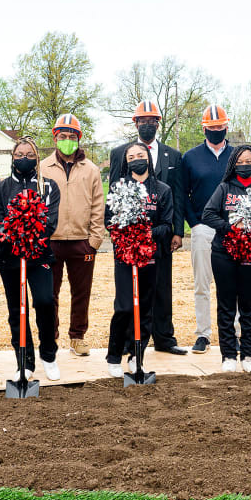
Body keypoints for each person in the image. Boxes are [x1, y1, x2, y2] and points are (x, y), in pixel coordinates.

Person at [108, 100, 187, 355]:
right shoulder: (119, 152)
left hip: (160, 233)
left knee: (162, 287)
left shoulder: (172, 155)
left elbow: (178, 193)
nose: (147, 124)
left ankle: (164, 338)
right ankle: (131, 342)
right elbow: (113, 193)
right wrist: (120, 231)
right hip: (129, 238)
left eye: (152, 120)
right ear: (135, 123)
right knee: (131, 291)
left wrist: (177, 230)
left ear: (158, 123)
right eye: (142, 120)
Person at [0, 138, 61, 380]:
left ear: (37, 158)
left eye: (30, 154)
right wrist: (11, 233)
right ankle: (24, 360)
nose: (24, 157)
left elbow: (50, 222)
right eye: (19, 153)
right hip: (10, 258)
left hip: (39, 255)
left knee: (45, 302)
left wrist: (29, 232)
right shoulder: (1, 188)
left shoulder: (48, 187)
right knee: (16, 309)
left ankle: (48, 354)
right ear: (12, 156)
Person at [104, 142, 174, 378]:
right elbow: (109, 221)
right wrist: (126, 236)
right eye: (131, 156)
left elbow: (166, 226)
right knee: (124, 306)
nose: (136, 159)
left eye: (140, 155)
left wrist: (145, 235)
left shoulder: (162, 189)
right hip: (124, 256)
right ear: (126, 162)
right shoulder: (117, 187)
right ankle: (114, 355)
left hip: (150, 257)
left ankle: (137, 356)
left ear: (149, 158)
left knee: (145, 309)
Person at [201, 145, 251, 372]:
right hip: (224, 253)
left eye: (249, 161)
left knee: (249, 305)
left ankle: (249, 355)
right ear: (233, 164)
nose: (244, 165)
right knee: (226, 305)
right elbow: (208, 214)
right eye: (240, 162)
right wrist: (229, 228)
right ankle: (229, 355)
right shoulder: (225, 188)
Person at [41, 114, 105, 358]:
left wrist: (94, 241)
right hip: (51, 241)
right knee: (49, 294)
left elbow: (98, 207)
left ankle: (77, 337)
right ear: (55, 138)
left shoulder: (91, 170)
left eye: (71, 137)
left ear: (78, 139)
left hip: (81, 242)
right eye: (62, 137)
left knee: (81, 293)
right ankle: (51, 337)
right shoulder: (43, 167)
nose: (67, 141)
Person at [181, 104, 235, 354]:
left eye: (219, 127)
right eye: (211, 127)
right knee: (202, 283)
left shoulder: (236, 154)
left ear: (226, 126)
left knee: (232, 284)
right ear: (203, 128)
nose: (216, 131)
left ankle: (233, 333)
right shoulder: (190, 157)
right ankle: (203, 333)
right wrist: (194, 223)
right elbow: (182, 193)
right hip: (203, 227)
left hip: (232, 227)